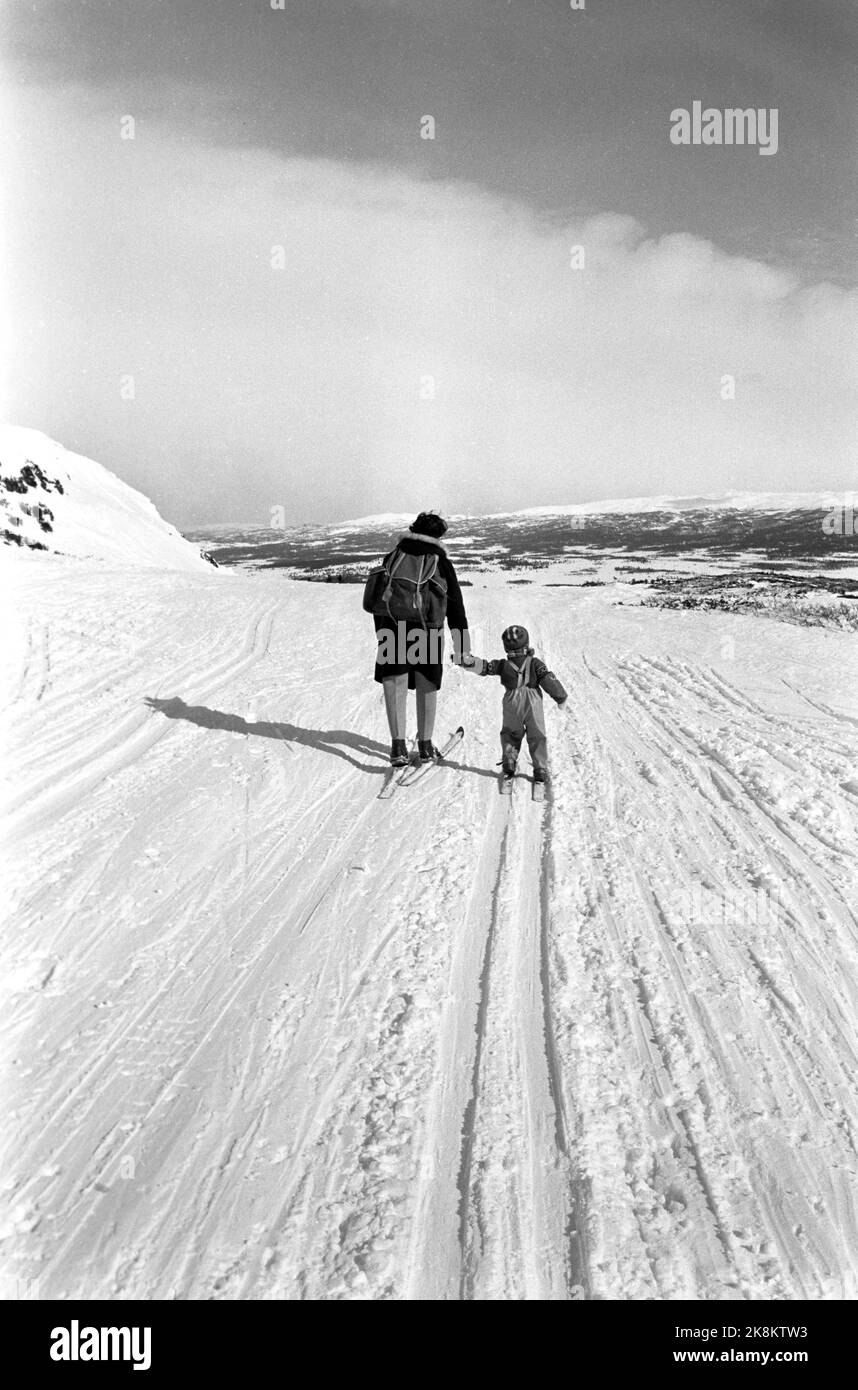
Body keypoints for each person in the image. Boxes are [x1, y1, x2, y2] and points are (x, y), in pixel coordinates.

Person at [371, 511, 469, 765]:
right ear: (439, 536)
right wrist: (462, 647)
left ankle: (398, 747)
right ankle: (425, 745)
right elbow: (455, 606)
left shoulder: (394, 556)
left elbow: (381, 597)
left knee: (395, 684)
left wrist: (381, 633)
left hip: (392, 628)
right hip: (427, 630)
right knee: (427, 683)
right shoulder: (440, 562)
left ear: (413, 528)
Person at [453, 624, 567, 784]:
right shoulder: (535, 663)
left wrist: (468, 663)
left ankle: (509, 761)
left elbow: (485, 667)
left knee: (510, 733)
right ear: (526, 645)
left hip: (511, 701)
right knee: (537, 735)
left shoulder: (503, 665)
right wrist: (560, 696)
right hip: (532, 701)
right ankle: (540, 769)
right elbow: (547, 678)